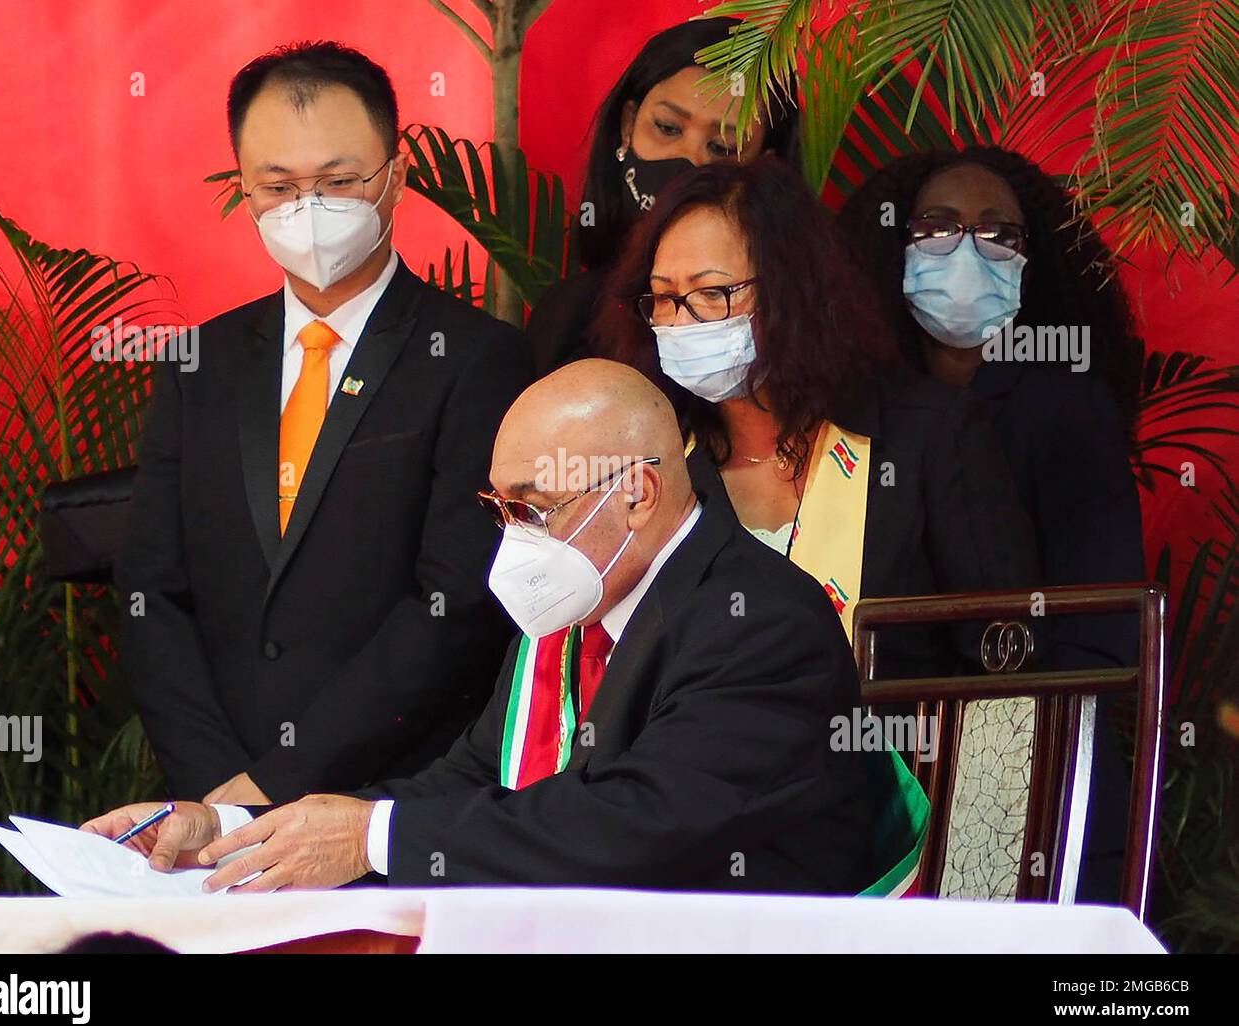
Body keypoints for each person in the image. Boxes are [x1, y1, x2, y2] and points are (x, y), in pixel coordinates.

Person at [85, 360, 900, 895]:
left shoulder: (757, 620)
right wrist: (231, 836)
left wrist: (374, 838)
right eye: (500, 510)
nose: (515, 540)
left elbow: (638, 825)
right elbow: (464, 788)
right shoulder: (577, 612)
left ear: (638, 494)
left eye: (534, 509)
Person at [117, 42, 531, 807]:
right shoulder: (198, 363)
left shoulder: (477, 360)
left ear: (396, 177)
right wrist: (219, 792)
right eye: (278, 185)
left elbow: (456, 602)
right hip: (213, 812)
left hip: (389, 805)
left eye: (339, 182)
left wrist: (277, 785)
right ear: (243, 189)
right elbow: (152, 591)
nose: (307, 209)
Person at [837, 147, 1145, 902]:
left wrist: (1007, 740)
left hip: (1025, 767)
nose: (967, 251)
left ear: (1033, 263)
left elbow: (1100, 628)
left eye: (998, 234)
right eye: (937, 228)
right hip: (870, 763)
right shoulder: (853, 406)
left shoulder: (1067, 405)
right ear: (890, 247)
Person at [598, 156, 1039, 680]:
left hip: (895, 756)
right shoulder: (658, 462)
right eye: (666, 298)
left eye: (712, 293)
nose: (682, 322)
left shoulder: (929, 435)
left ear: (793, 292)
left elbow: (1005, 661)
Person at [526, 16, 800, 376]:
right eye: (667, 128)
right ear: (628, 127)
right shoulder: (568, 316)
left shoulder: (795, 323)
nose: (689, 159)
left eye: (721, 147)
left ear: (765, 167)